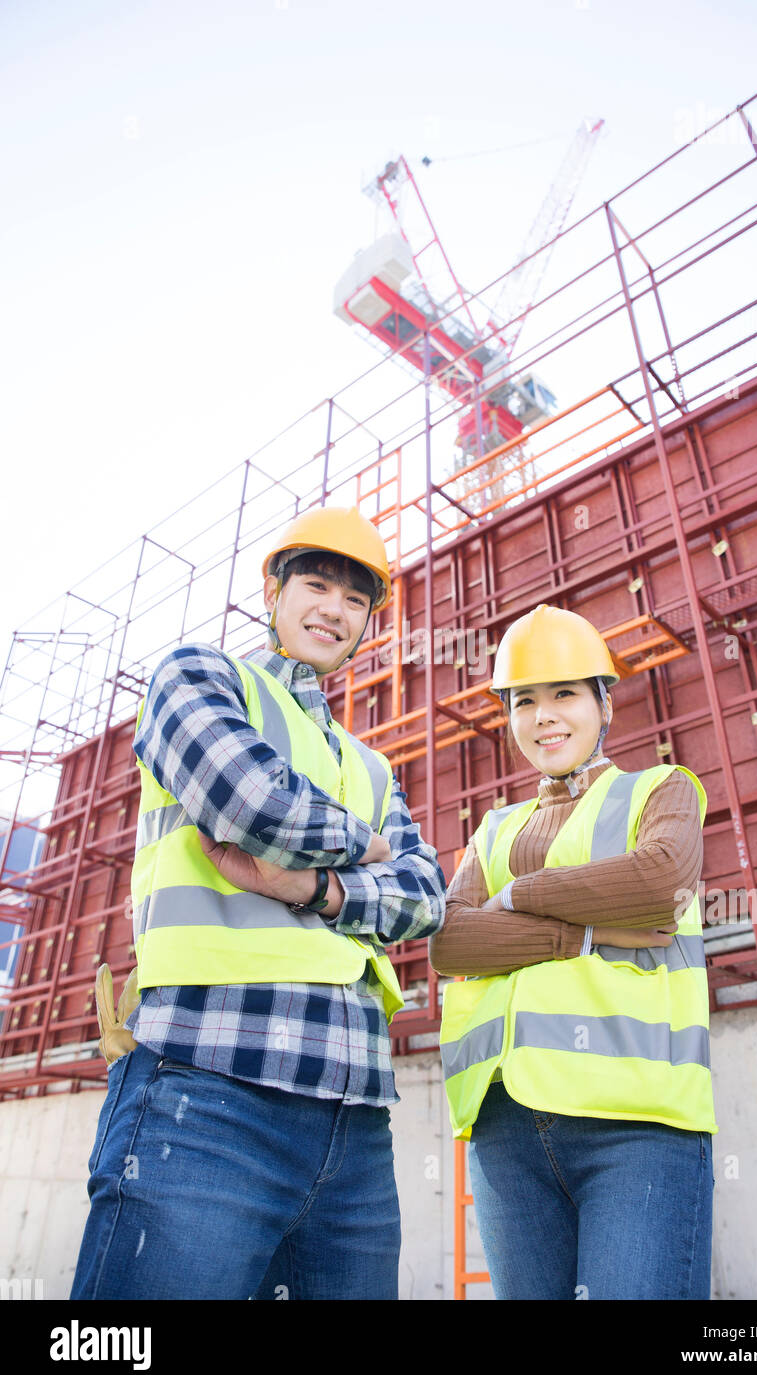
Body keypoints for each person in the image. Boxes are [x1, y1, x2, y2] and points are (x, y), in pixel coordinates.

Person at [71, 505, 446, 1301]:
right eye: (314, 584)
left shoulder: (371, 766)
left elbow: (425, 900)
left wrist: (313, 885)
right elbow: (248, 801)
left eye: (354, 601)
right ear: (272, 592)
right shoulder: (198, 676)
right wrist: (368, 849)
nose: (332, 610)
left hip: (354, 1121)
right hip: (208, 1089)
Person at [430, 604, 715, 1301]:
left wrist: (521, 895)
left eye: (564, 694)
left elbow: (658, 884)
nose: (544, 716)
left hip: (637, 1125)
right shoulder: (494, 827)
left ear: (602, 703)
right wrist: (581, 932)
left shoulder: (660, 791)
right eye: (524, 700)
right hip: (506, 1130)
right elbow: (452, 940)